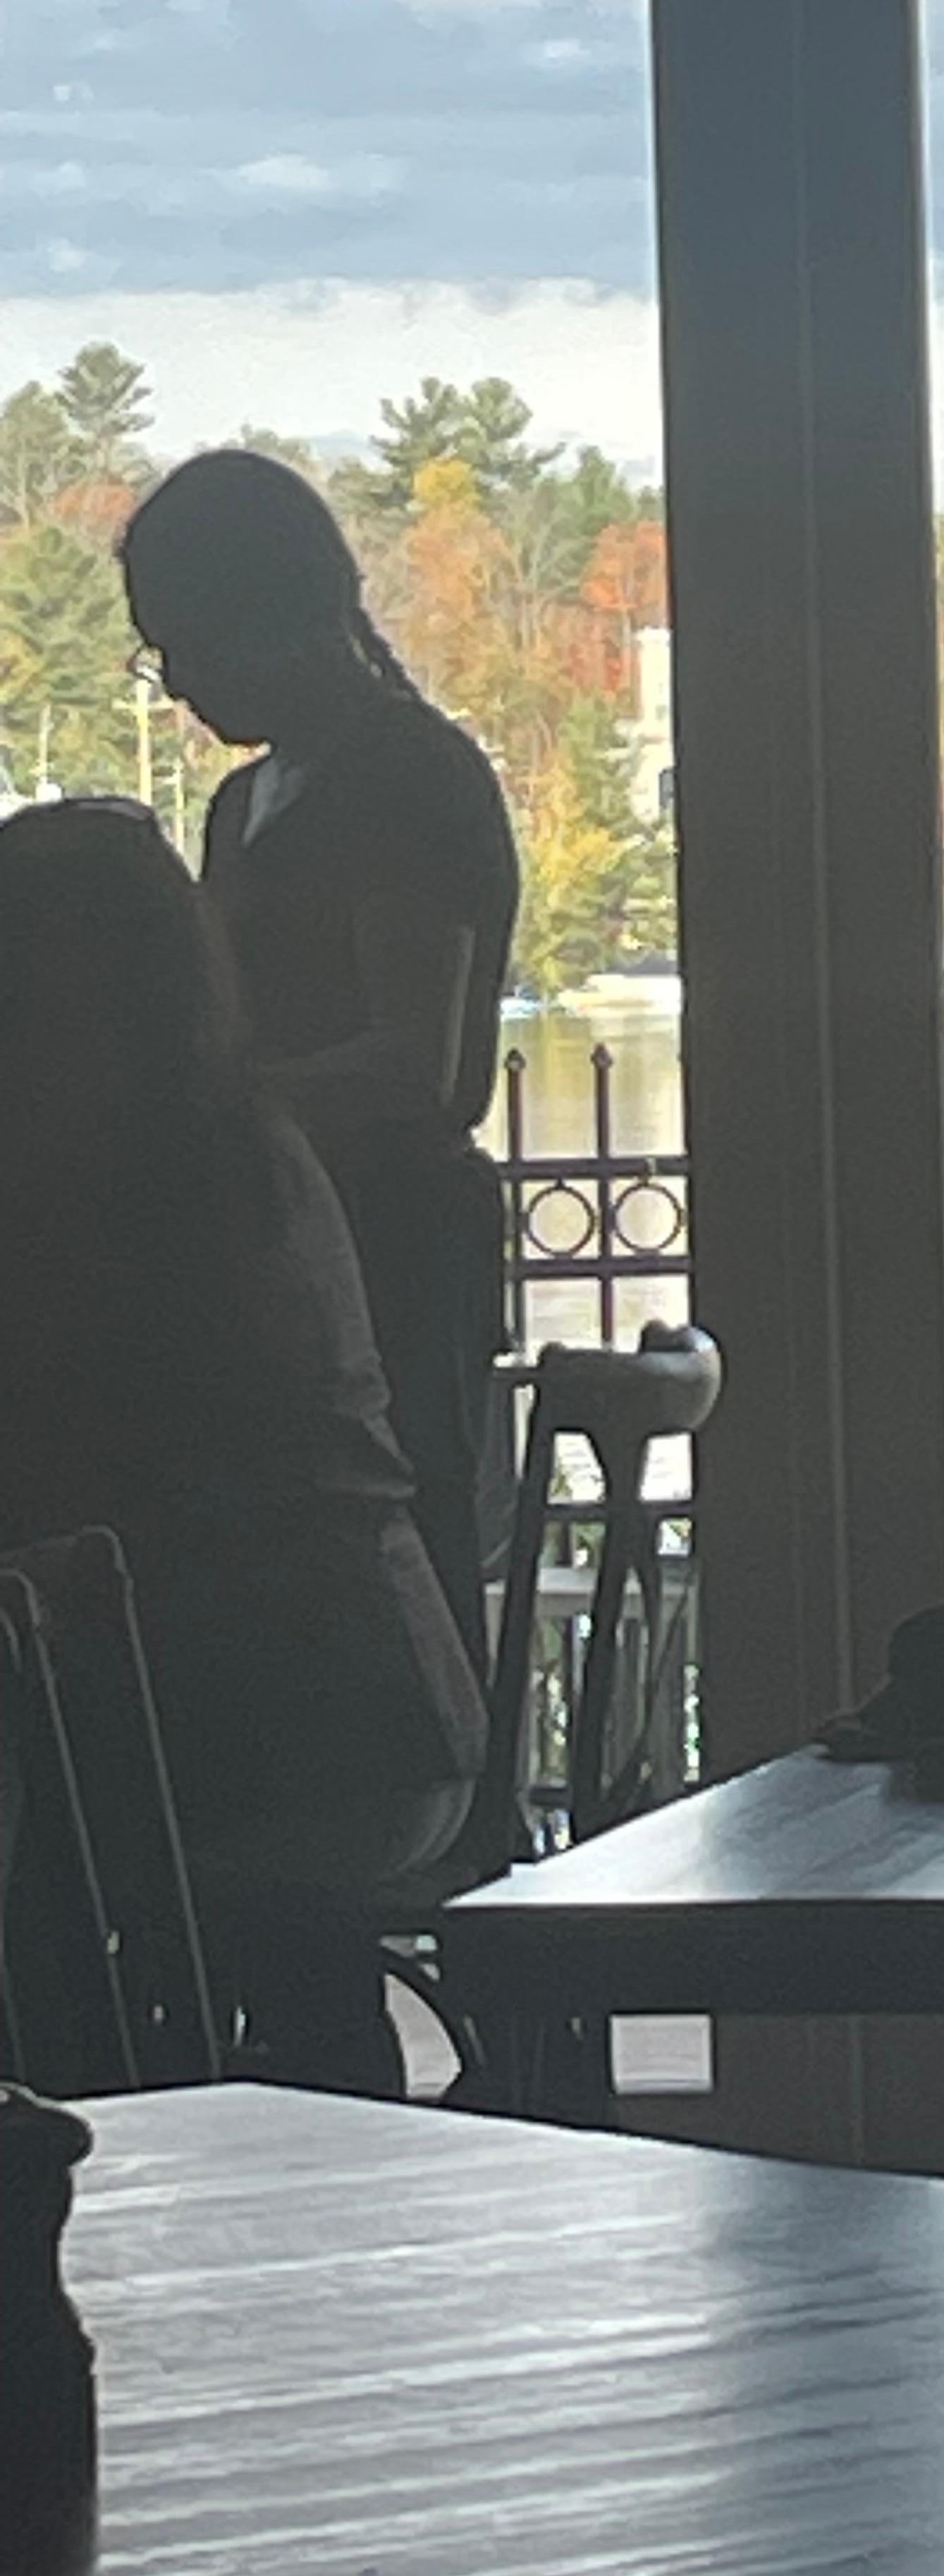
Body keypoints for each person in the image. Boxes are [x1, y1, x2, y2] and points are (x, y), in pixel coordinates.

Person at [0, 802, 486, 2084]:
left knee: (29, 1841)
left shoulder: (79, 1191)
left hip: (240, 1747)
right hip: (382, 1697)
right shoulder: (248, 1152)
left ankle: (70, 2143)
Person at [120, 450, 519, 1667]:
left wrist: (198, 1106)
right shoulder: (242, 808)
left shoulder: (409, 776)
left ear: (274, 615)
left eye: (188, 645)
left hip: (393, 1248)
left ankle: (438, 1833)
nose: (177, 684)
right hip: (291, 1247)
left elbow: (420, 1068)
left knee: (401, 1573)